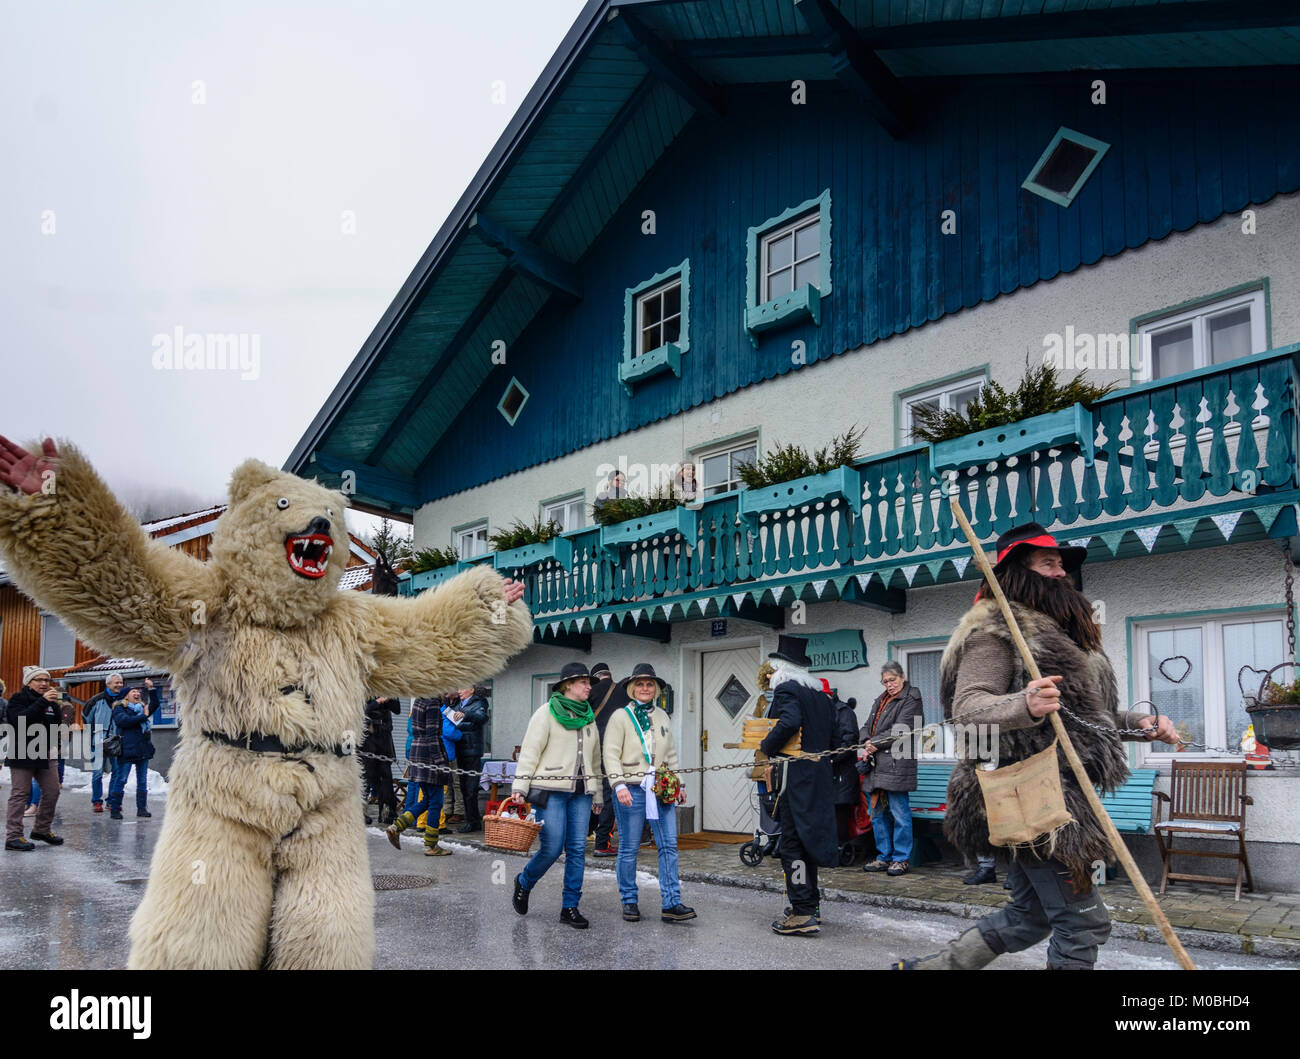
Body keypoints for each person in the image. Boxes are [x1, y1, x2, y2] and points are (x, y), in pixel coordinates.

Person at [897, 522, 1179, 970]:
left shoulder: (1067, 638)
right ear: (1017, 572)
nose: (1060, 572)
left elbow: (1085, 718)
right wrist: (1024, 704)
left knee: (1028, 916)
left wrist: (1138, 724)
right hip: (1029, 796)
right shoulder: (996, 632)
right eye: (1048, 563)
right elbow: (968, 707)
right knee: (1083, 924)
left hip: (1060, 794)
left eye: (1061, 564)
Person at [507, 662, 604, 929]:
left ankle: (570, 907)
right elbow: (530, 752)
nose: (588, 687)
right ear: (567, 685)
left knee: (576, 850)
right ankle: (524, 881)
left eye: (589, 683)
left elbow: (594, 760)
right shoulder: (546, 712)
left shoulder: (589, 716)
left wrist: (597, 795)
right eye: (584, 682)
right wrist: (520, 787)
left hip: (582, 793)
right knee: (551, 849)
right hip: (551, 792)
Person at [602, 663, 695, 924]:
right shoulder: (620, 716)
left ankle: (671, 902)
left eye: (650, 684)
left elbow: (671, 754)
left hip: (660, 787)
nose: (645, 688)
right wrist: (618, 784)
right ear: (632, 688)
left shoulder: (663, 716)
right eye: (641, 684)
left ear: (655, 689)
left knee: (669, 846)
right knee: (629, 848)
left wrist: (680, 784)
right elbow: (610, 753)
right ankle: (629, 900)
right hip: (630, 788)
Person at [760, 636, 838, 937]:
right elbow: (834, 738)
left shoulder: (787, 689)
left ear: (780, 669)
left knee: (792, 845)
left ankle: (802, 912)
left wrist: (767, 746)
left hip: (796, 777)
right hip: (819, 776)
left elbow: (789, 722)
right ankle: (809, 904)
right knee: (808, 843)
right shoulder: (820, 696)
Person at [858, 662, 925, 877]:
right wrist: (866, 740)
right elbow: (866, 726)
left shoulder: (911, 698)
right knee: (877, 813)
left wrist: (873, 743)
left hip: (896, 764)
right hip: (877, 766)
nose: (889, 685)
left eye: (892, 680)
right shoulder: (881, 699)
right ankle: (884, 856)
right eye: (885, 681)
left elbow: (902, 729)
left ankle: (901, 858)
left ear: (902, 677)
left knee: (899, 813)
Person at [386, 693, 457, 856]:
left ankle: (396, 827)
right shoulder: (432, 703)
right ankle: (431, 846)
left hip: (418, 752)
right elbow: (432, 736)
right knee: (436, 802)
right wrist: (440, 763)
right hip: (429, 757)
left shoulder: (420, 700)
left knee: (427, 799)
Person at [5, 666, 65, 850]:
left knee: (52, 790)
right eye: (39, 680)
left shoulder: (51, 703)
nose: (44, 683)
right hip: (22, 751)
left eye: (46, 680)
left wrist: (55, 708)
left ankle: (41, 829)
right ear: (29, 682)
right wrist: (42, 703)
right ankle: (13, 837)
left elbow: (54, 726)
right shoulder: (18, 699)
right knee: (20, 793)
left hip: (45, 752)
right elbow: (19, 720)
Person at [587, 661, 628, 856]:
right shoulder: (623, 691)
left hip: (589, 749)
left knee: (586, 792)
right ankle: (602, 843)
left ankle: (576, 840)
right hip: (616, 750)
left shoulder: (589, 691)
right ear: (609, 675)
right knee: (608, 795)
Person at [107, 680, 159, 820]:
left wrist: (152, 689)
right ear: (126, 696)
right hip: (127, 749)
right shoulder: (119, 708)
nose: (137, 693)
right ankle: (115, 809)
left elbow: (155, 704)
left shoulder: (142, 708)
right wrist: (143, 716)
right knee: (121, 779)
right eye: (133, 692)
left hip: (143, 749)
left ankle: (142, 809)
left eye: (138, 692)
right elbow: (123, 721)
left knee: (142, 780)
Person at [83, 672, 127, 813]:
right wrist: (95, 732)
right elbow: (86, 716)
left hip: (117, 740)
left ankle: (111, 801)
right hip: (98, 740)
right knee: (97, 772)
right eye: (116, 683)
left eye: (121, 682)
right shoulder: (97, 700)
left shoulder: (124, 700)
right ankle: (96, 801)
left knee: (117, 772)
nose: (119, 685)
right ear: (108, 684)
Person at [830, 694, 863, 858]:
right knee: (833, 810)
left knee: (840, 810)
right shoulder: (824, 710)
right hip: (830, 770)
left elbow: (850, 739)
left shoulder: (844, 711)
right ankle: (833, 847)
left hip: (842, 770)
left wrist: (832, 757)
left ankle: (841, 848)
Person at [453, 685, 489, 833]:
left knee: (470, 789)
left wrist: (464, 715)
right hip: (460, 749)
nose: (459, 691)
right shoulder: (457, 704)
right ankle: (471, 820)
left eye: (462, 688)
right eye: (458, 688)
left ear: (472, 690)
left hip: (472, 750)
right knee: (463, 787)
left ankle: (473, 822)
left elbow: (481, 718)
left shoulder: (479, 702)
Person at [361, 696, 400, 825]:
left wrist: (389, 699)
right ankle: (361, 812)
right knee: (365, 777)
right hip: (368, 738)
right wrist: (377, 702)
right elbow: (360, 710)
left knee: (386, 777)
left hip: (384, 738)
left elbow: (397, 709)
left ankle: (387, 812)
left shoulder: (388, 689)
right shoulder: (364, 690)